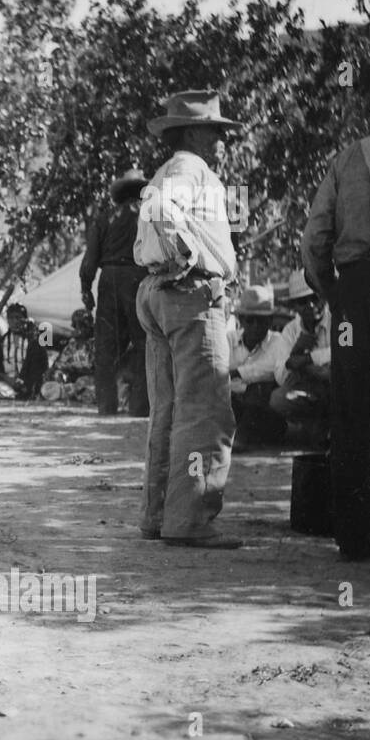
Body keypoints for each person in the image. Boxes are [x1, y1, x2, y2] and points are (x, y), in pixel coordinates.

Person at [134, 89, 242, 549]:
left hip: (163, 293)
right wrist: (188, 257)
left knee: (171, 410)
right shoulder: (189, 168)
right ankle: (190, 519)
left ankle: (159, 514)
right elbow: (160, 212)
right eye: (216, 133)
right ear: (195, 133)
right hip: (191, 295)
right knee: (205, 412)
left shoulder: (168, 170)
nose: (222, 142)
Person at [301, 75, 370, 567]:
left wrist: (331, 292)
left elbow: (315, 236)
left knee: (351, 414)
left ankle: (353, 539)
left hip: (353, 292)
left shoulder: (347, 159)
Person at [81, 169, 150, 416]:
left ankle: (106, 408)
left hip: (108, 278)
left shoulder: (104, 218)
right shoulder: (149, 215)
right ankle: (140, 408)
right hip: (140, 278)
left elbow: (89, 261)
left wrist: (85, 289)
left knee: (106, 348)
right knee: (144, 345)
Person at [269, 269, 330, 445]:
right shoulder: (290, 331)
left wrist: (307, 359)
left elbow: (345, 353)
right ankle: (316, 426)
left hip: (336, 388)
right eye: (303, 302)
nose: (310, 306)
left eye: (314, 298)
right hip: (310, 391)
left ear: (323, 297)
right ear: (294, 306)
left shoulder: (341, 320)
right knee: (279, 398)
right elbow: (281, 375)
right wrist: (297, 349)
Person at [227, 286, 290, 450]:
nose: (255, 326)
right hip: (233, 406)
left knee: (260, 389)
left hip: (262, 410)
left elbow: (274, 369)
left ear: (270, 321)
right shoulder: (228, 340)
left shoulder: (278, 341)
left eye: (261, 321)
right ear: (241, 319)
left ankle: (240, 438)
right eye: (250, 320)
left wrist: (237, 373)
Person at [0, 302, 49, 399]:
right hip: (6, 381)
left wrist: (22, 382)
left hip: (28, 384)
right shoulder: (3, 341)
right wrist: (6, 378)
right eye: (11, 318)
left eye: (18, 318)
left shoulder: (35, 341)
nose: (15, 321)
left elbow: (40, 368)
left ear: (25, 320)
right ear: (7, 320)